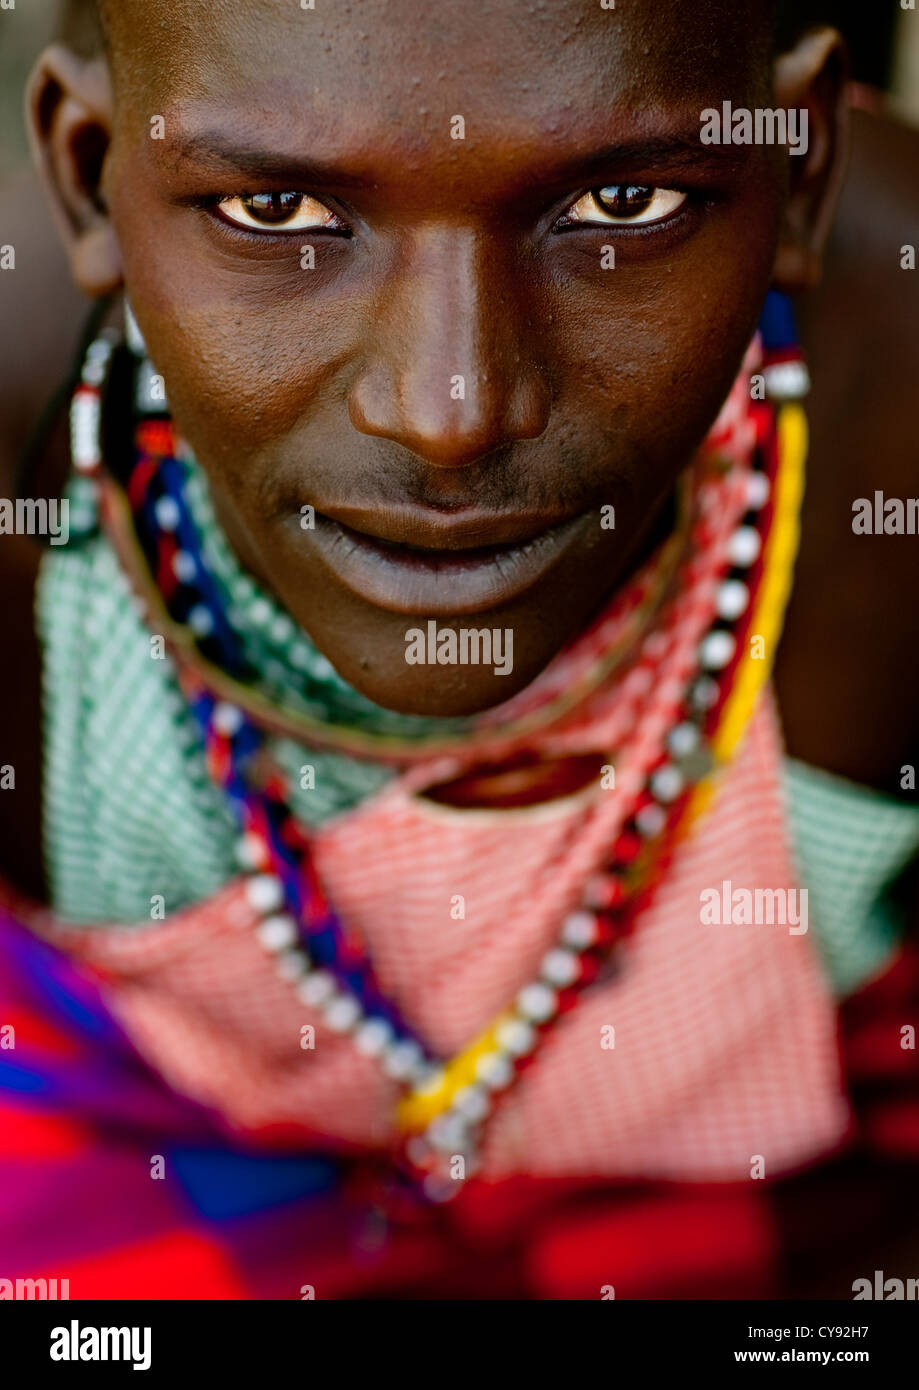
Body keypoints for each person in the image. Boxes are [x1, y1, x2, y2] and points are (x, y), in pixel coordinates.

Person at [0, 0, 916, 1300]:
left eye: (623, 205)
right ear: (89, 179)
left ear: (799, 169)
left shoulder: (898, 378)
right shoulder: (22, 478)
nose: (452, 415)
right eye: (279, 217)